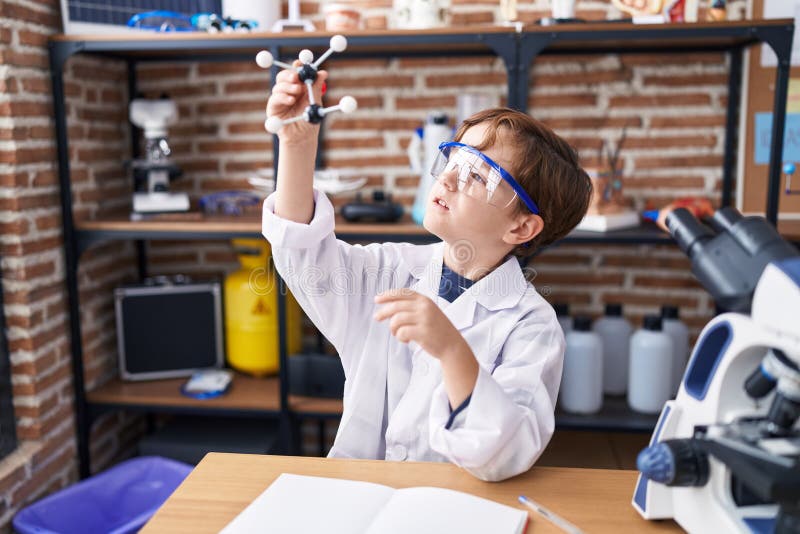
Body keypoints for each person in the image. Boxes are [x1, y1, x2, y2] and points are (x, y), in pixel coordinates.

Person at [262, 62, 592, 481]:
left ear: (521, 227)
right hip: (359, 497)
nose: (450, 178)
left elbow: (505, 453)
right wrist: (297, 145)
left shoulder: (532, 327)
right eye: (455, 158)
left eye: (479, 175)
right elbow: (305, 256)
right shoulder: (390, 270)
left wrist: (452, 350)